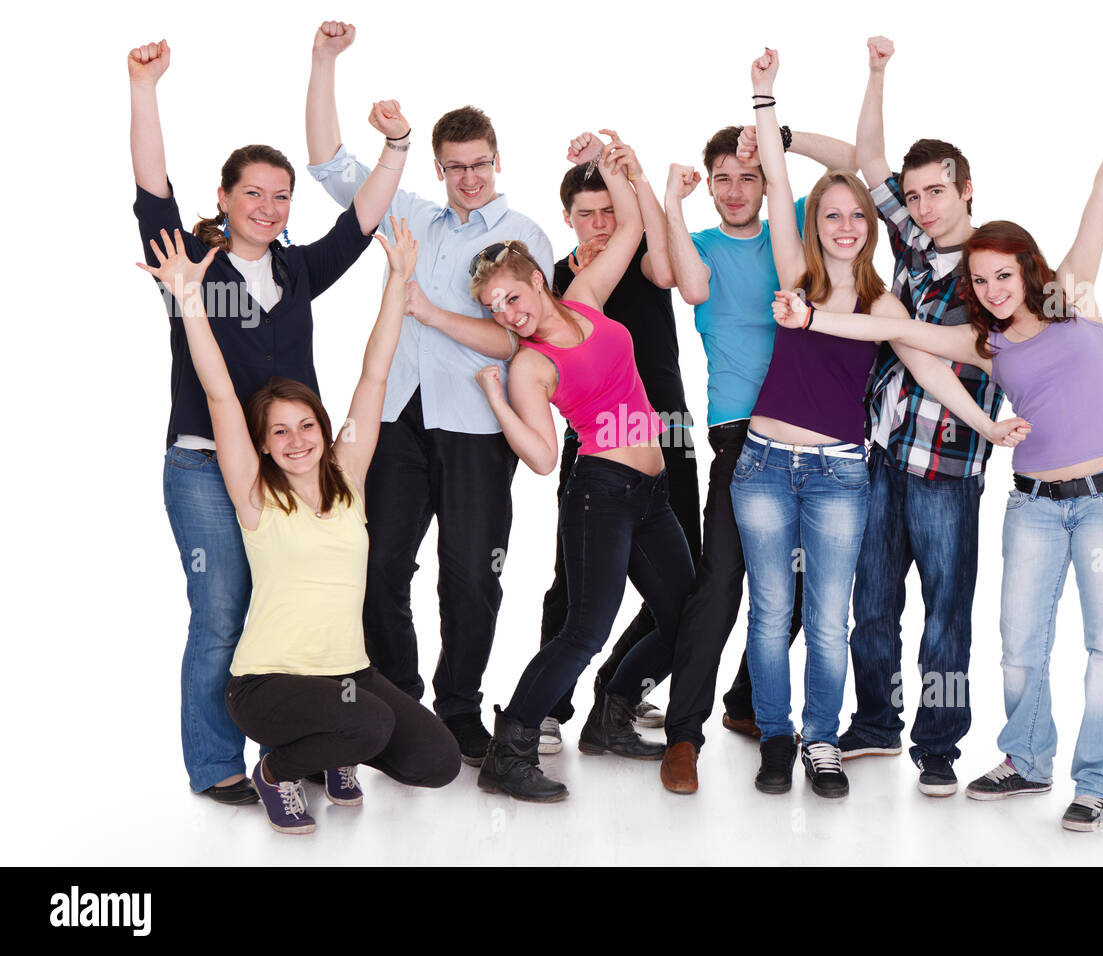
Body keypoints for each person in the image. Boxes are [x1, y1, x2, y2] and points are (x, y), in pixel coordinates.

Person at [777, 63, 1103, 830]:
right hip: (969, 480)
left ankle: (1055, 771)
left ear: (1021, 266)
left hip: (1046, 485)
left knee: (1039, 636)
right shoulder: (969, 322)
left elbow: (1102, 193)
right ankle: (947, 741)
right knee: (943, 624)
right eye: (981, 280)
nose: (990, 288)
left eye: (1001, 275)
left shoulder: (1066, 300)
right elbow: (893, 319)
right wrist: (810, 318)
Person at [737, 49, 1028, 799]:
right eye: (915, 194)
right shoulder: (908, 242)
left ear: (967, 192)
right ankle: (872, 725)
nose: (922, 204)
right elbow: (864, 163)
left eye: (937, 192)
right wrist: (839, 85)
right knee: (867, 606)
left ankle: (937, 745)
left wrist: (1021, 420)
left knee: (945, 616)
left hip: (948, 466)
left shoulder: (995, 270)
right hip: (875, 456)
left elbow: (1005, 350)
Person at [129, 36, 407, 804]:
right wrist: (144, 89)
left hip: (289, 466)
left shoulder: (297, 271)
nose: (269, 206)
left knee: (292, 611)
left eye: (281, 195)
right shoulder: (190, 264)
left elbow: (360, 223)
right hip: (203, 466)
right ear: (224, 198)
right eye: (253, 192)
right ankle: (216, 763)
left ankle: (305, 746)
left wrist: (396, 144)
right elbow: (151, 189)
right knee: (221, 612)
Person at [138, 217, 461, 834]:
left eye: (306, 426)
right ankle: (280, 770)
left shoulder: (350, 480)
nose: (295, 440)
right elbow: (221, 397)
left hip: (346, 674)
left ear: (323, 428)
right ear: (262, 445)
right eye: (279, 432)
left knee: (438, 761)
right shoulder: (256, 496)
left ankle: (336, 747)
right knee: (369, 723)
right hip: (268, 687)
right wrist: (187, 303)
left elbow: (374, 373)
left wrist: (397, 282)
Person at [304, 21, 554, 767]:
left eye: (479, 165)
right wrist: (324, 63)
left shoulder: (526, 236)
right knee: (379, 567)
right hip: (397, 422)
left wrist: (429, 311)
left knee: (470, 578)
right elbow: (326, 162)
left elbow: (519, 339)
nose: (469, 178)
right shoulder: (410, 211)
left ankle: (459, 708)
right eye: (455, 167)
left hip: (478, 425)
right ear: (440, 169)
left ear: (497, 160)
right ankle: (400, 704)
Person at [467, 141, 695, 803]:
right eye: (495, 309)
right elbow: (541, 459)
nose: (509, 314)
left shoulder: (586, 299)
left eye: (512, 296)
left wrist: (624, 166)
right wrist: (498, 400)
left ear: (537, 280)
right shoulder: (529, 365)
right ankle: (510, 748)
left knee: (685, 614)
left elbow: (629, 228)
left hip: (651, 491)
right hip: (602, 492)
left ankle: (612, 713)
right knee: (585, 630)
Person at [658, 117, 864, 794]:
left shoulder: (799, 225)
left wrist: (783, 138)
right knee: (721, 586)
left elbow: (859, 166)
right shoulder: (704, 244)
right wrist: (672, 197)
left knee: (801, 595)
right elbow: (688, 289)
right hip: (739, 433)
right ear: (710, 187)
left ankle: (750, 701)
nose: (738, 189)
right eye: (724, 179)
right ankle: (684, 736)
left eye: (749, 176)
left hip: (816, 435)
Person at [534, 131, 700, 755]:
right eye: (586, 215)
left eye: (609, 211)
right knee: (572, 578)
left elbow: (663, 262)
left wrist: (632, 172)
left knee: (682, 580)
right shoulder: (555, 284)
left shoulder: (645, 258)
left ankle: (619, 692)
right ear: (568, 219)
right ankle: (549, 706)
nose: (600, 225)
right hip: (597, 440)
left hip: (667, 429)